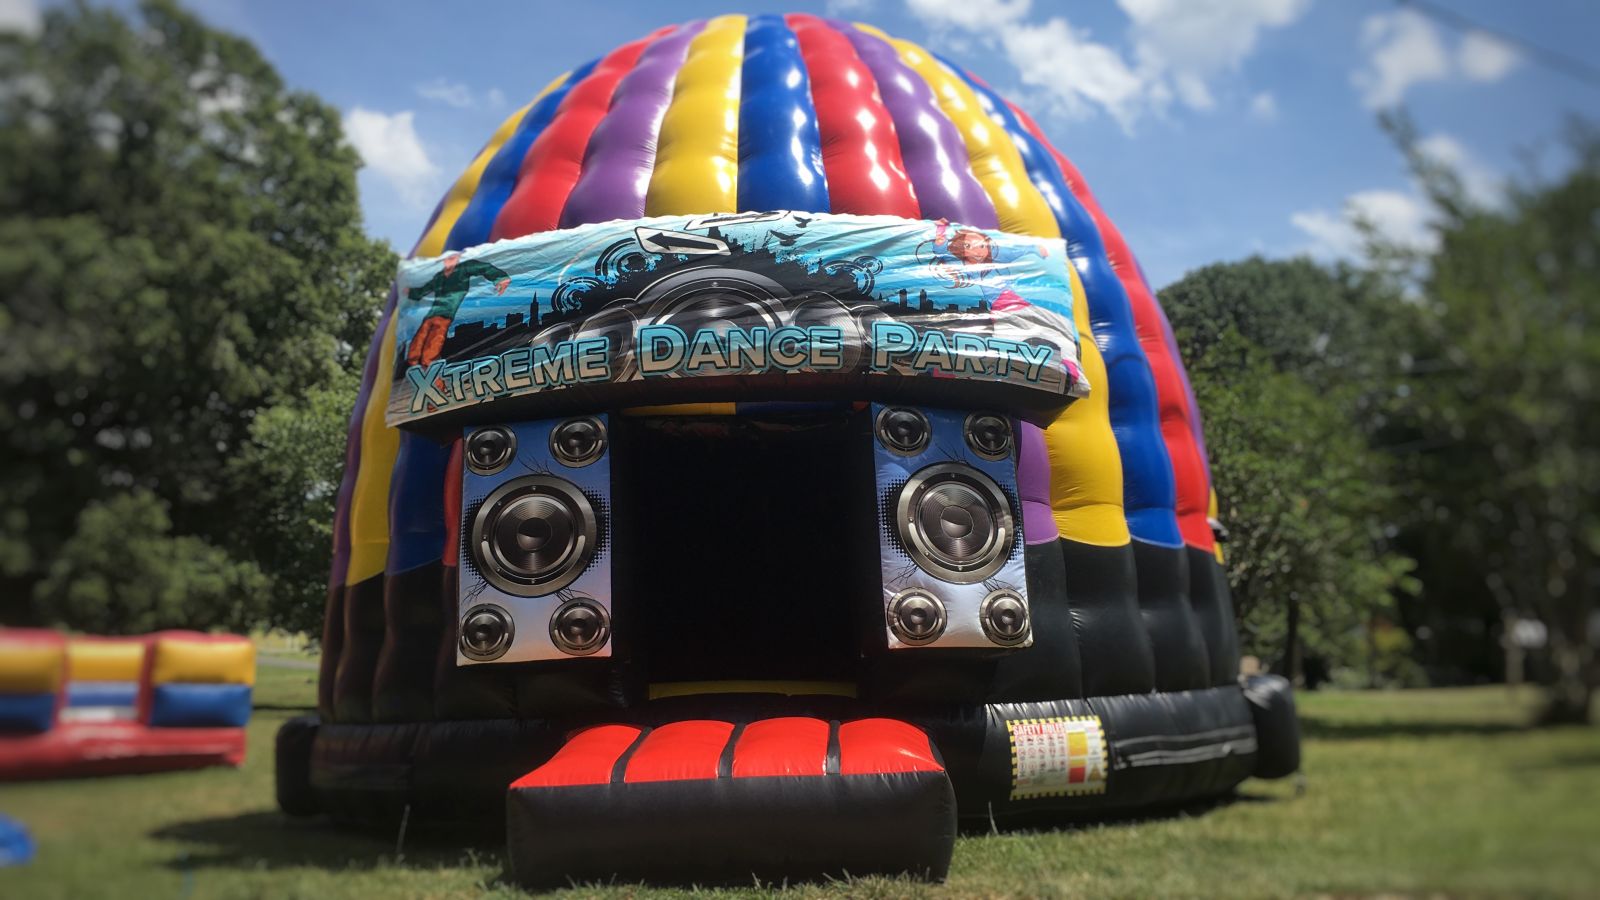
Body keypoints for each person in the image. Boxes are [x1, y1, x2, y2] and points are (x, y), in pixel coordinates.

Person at [404, 254, 512, 369]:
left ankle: (434, 374)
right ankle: (414, 364)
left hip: (445, 315)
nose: (448, 261)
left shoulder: (463, 268)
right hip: (431, 314)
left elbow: (482, 267)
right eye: (446, 258)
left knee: (432, 346)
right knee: (418, 342)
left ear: (457, 258)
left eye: (451, 258)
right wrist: (410, 292)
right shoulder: (439, 276)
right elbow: (423, 290)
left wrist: (501, 278)